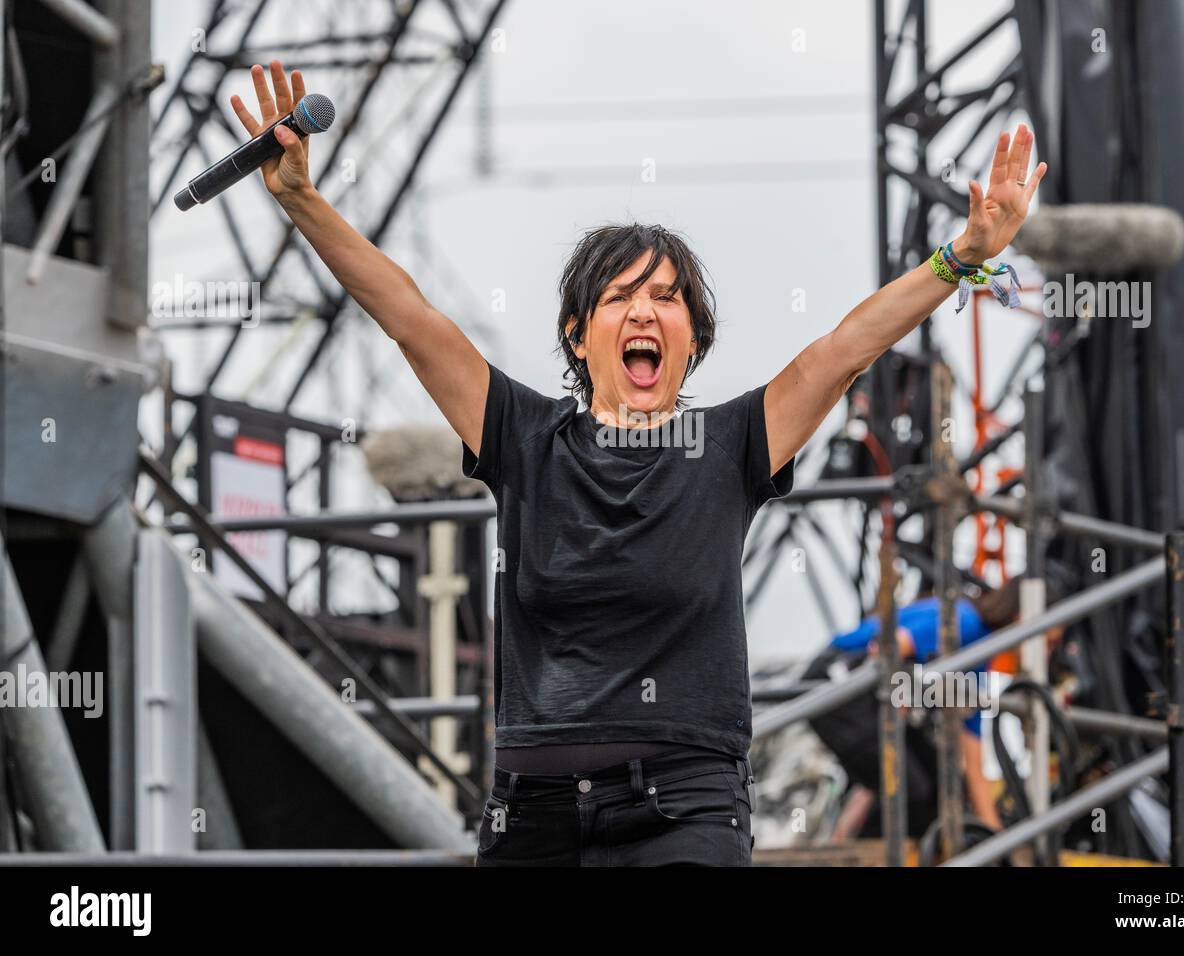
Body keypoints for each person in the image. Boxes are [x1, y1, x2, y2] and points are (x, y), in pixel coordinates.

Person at [231, 60, 1047, 866]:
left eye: (666, 298)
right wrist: (301, 198)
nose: (644, 311)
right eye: (619, 298)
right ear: (580, 338)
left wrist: (964, 254)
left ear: (692, 339)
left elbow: (844, 349)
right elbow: (409, 316)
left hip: (684, 805)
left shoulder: (733, 447)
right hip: (532, 813)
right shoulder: (522, 435)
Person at [819, 577, 1065, 839]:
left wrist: (998, 843)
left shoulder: (977, 659)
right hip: (835, 682)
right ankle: (865, 853)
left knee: (936, 785)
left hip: (868, 696)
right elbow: (885, 650)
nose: (1047, 657)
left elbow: (973, 758)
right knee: (911, 790)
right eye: (1047, 644)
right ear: (1021, 622)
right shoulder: (963, 621)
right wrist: (904, 702)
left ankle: (851, 838)